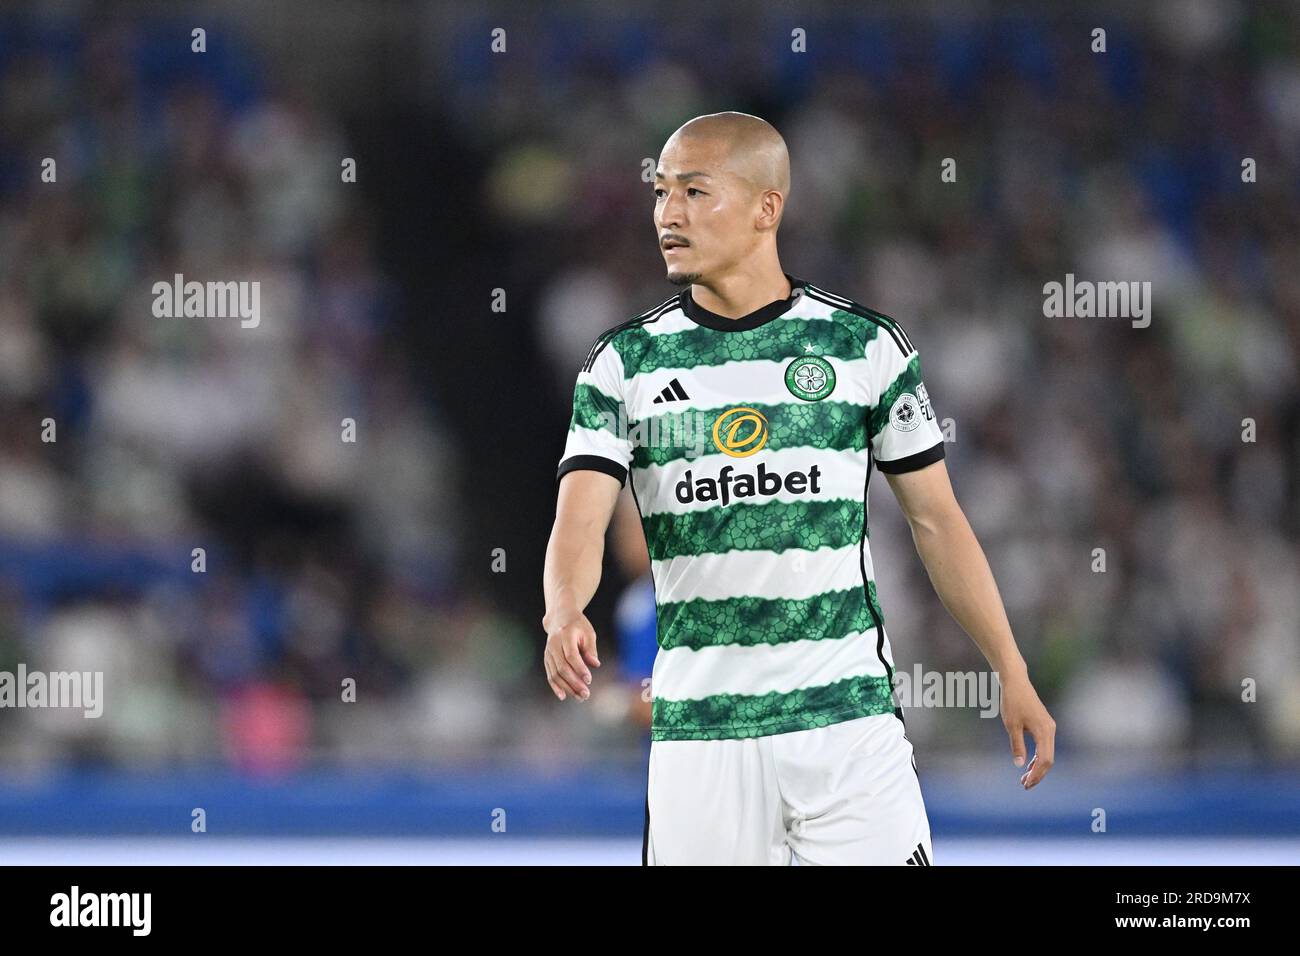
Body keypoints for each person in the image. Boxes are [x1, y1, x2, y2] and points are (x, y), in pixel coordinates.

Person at [542, 112, 1056, 865]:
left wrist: (1010, 669)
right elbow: (581, 522)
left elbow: (938, 522)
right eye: (660, 193)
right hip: (701, 741)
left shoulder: (863, 347)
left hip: (846, 729)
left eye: (693, 191)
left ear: (765, 208)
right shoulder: (624, 363)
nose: (668, 214)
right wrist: (563, 611)